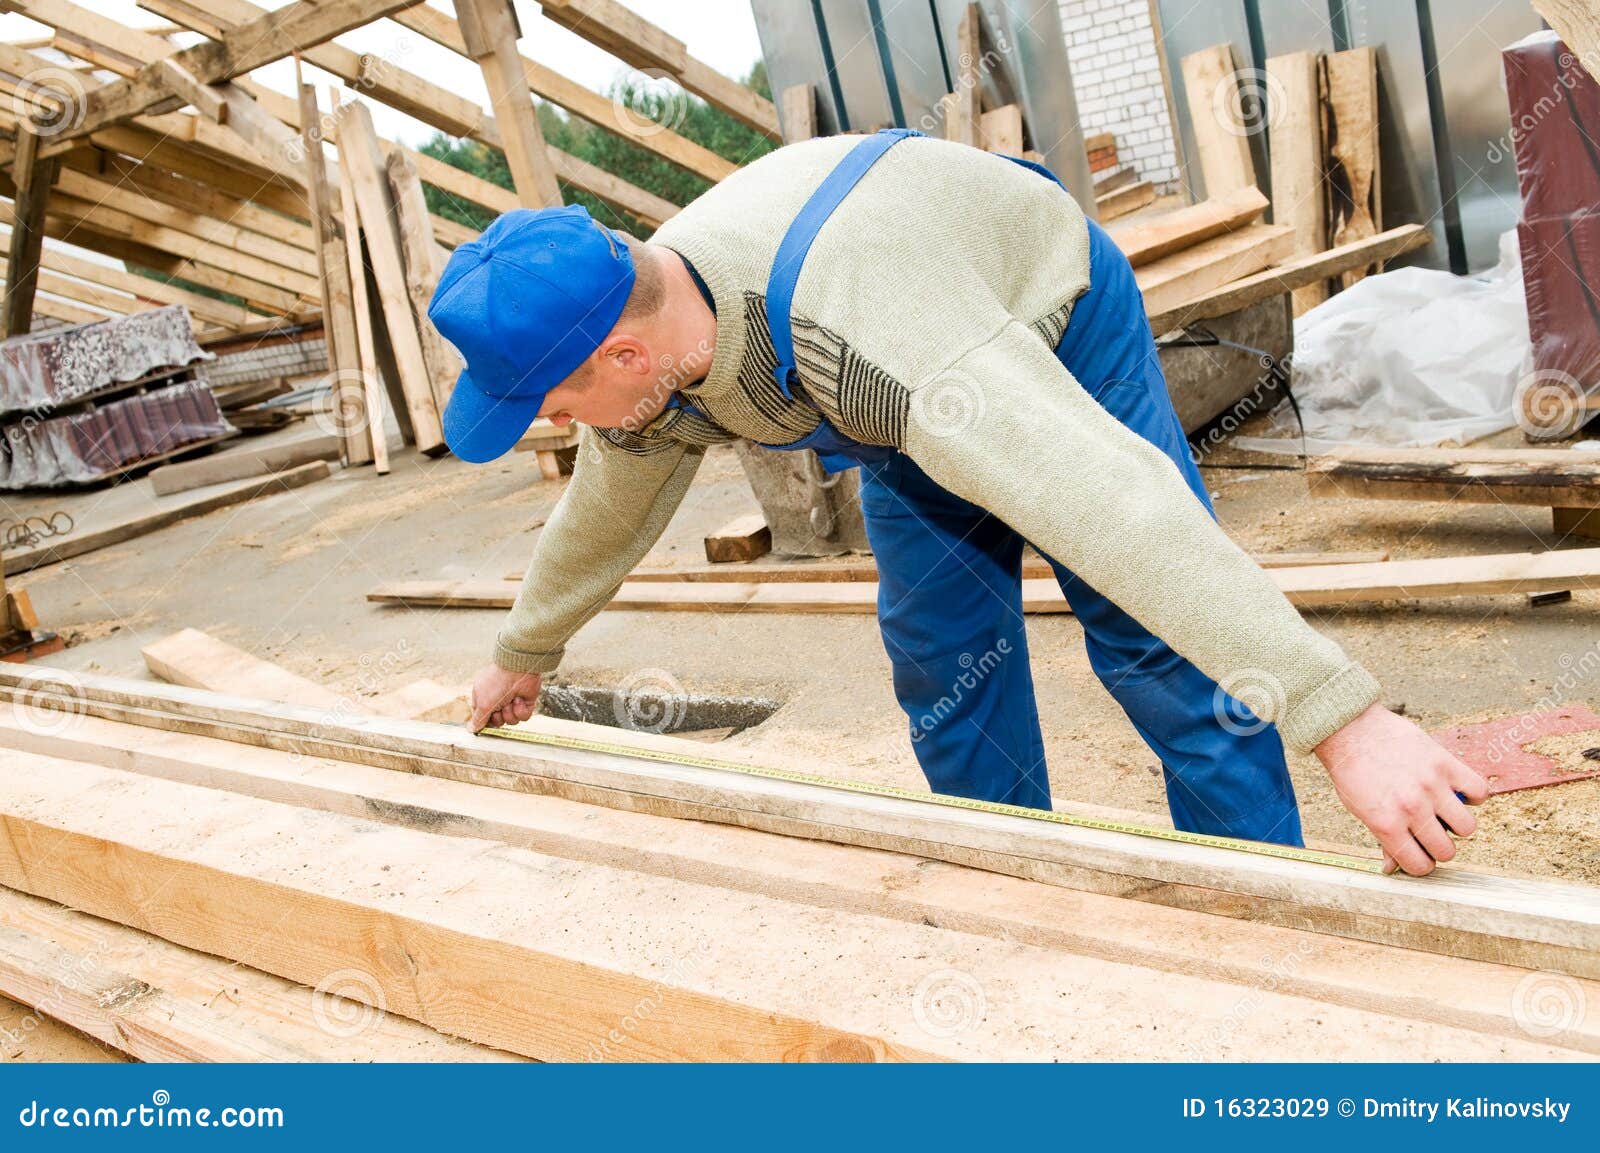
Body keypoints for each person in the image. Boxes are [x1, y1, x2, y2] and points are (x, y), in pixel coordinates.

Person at [428, 130, 1487, 876]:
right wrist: (526, 651)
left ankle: (1260, 889)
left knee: (1147, 639)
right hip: (886, 363)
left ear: (620, 352)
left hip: (1034, 306)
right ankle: (1009, 872)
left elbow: (1119, 511)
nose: (558, 424)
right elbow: (609, 508)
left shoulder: (878, 338)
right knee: (939, 643)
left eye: (555, 401)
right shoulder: (647, 350)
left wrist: (1342, 719)